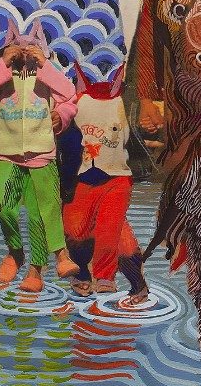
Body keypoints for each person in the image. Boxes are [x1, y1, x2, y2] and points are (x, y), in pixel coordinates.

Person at [0, 22, 79, 290]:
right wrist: (3, 64)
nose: (25, 50)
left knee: (40, 211)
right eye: (17, 45)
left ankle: (38, 268)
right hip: (6, 151)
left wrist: (61, 113)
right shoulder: (3, 70)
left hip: (40, 151)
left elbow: (69, 97)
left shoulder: (48, 69)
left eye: (32, 45)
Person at [59, 67, 148, 301]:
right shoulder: (71, 95)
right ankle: (82, 271)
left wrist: (147, 118)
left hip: (116, 177)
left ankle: (114, 278)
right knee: (75, 233)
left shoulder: (126, 97)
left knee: (112, 234)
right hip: (80, 177)